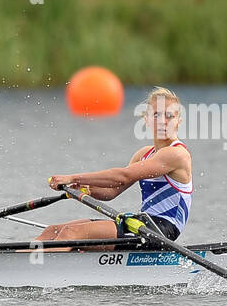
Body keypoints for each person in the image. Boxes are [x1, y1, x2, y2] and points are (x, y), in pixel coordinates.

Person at [38, 87, 192, 243]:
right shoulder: (143, 154)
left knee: (71, 233)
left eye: (169, 116)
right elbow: (112, 190)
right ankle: (24, 261)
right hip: (141, 223)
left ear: (178, 122)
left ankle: (45, 263)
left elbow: (123, 177)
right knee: (52, 231)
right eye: (156, 115)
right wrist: (87, 189)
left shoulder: (176, 154)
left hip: (161, 230)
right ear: (146, 119)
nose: (163, 121)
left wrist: (72, 177)